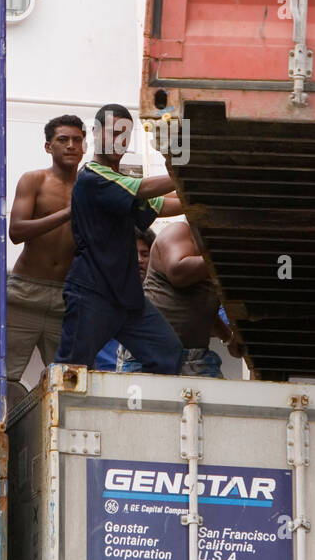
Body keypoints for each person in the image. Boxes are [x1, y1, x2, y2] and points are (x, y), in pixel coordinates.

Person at [55, 104, 183, 372]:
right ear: (95, 132)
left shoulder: (120, 187)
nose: (119, 142)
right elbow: (144, 188)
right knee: (71, 372)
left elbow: (164, 204)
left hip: (128, 298)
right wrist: (181, 171)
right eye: (113, 133)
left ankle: (137, 411)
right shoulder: (93, 176)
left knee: (168, 353)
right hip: (92, 294)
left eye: (125, 136)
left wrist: (206, 198)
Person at [5, 115, 85, 405]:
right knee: (3, 378)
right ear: (48, 147)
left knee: (68, 382)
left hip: (66, 297)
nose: (71, 145)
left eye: (77, 140)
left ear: (85, 147)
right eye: (63, 140)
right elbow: (16, 232)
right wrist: (67, 213)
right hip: (25, 292)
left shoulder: (90, 186)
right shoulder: (34, 180)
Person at [143, 221, 232, 377]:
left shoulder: (216, 247)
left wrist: (228, 337)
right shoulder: (179, 231)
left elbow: (201, 307)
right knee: (149, 401)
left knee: (214, 400)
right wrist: (229, 255)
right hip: (150, 353)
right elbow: (178, 272)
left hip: (197, 358)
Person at [94, 228, 155, 371]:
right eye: (133, 253)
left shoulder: (163, 297)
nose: (139, 260)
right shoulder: (99, 294)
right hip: (103, 378)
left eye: (145, 254)